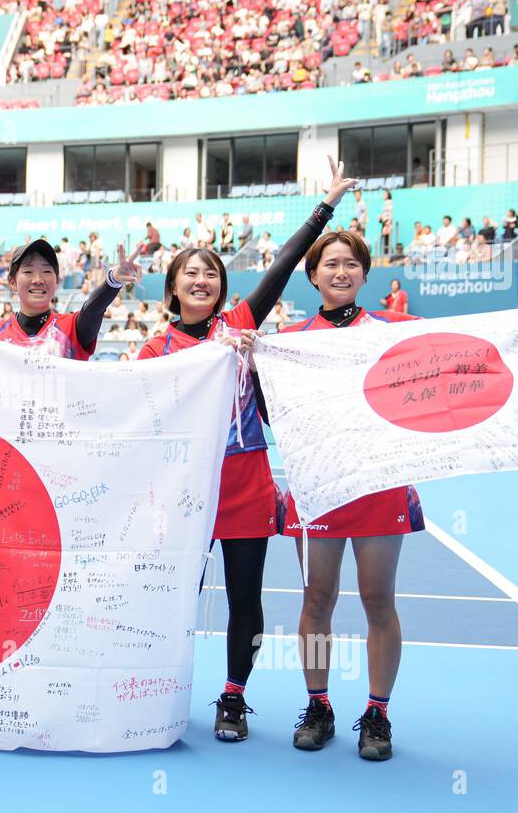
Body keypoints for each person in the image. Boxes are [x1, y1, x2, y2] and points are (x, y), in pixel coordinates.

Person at [273, 230, 518, 761]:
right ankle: (319, 705)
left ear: (365, 273)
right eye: (330, 264)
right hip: (318, 489)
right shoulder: (290, 341)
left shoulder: (398, 331)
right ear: (312, 276)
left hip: (379, 485)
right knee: (316, 601)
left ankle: (377, 713)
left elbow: (480, 345)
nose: (341, 272)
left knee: (379, 601)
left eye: (352, 263)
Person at [136, 156, 356, 742]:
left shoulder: (239, 324)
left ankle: (233, 698)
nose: (201, 280)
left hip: (245, 484)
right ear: (173, 288)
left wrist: (326, 205)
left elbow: (284, 266)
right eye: (190, 274)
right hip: (184, 493)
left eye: (211, 272)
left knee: (245, 599)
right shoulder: (153, 350)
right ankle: (159, 688)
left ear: (222, 286)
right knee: (174, 596)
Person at [0, 238, 132, 358]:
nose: (38, 280)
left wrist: (113, 282)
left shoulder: (72, 329)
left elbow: (93, 310)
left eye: (46, 271)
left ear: (57, 281)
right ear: (12, 282)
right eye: (28, 272)